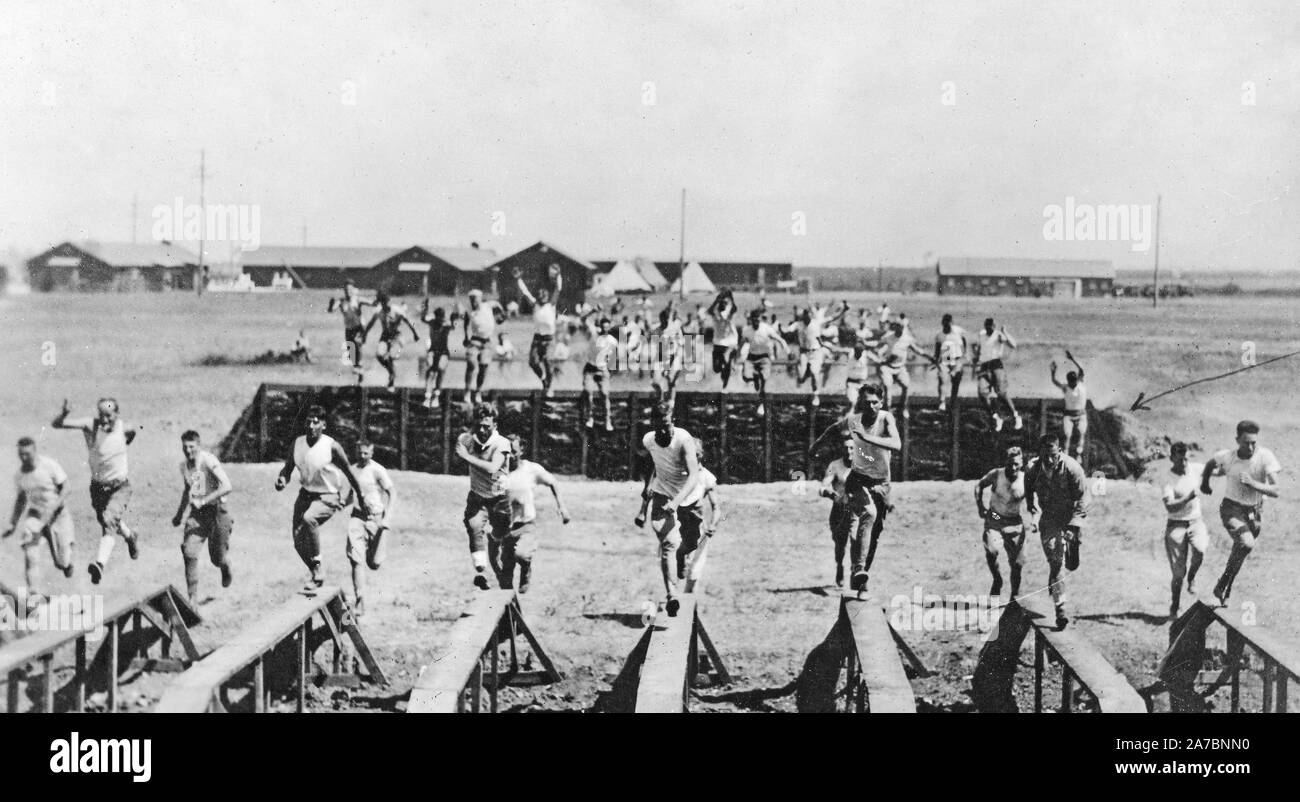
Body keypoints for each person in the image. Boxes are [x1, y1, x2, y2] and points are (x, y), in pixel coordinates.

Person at [809, 383, 900, 593]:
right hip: (858, 480)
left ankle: (860, 573)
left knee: (875, 533)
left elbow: (897, 444)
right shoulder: (853, 421)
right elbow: (833, 429)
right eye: (866, 402)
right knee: (868, 513)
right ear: (860, 403)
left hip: (882, 484)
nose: (870, 407)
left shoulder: (886, 418)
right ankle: (857, 567)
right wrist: (815, 446)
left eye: (875, 402)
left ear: (882, 402)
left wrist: (867, 437)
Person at [274, 406, 370, 593]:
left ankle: (317, 568)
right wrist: (281, 480)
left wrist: (361, 497)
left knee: (309, 519)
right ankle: (316, 574)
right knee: (298, 542)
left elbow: (350, 474)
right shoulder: (297, 443)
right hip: (306, 494)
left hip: (328, 495)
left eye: (316, 422)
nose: (311, 425)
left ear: (324, 425)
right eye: (308, 421)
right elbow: (287, 470)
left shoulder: (332, 446)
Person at [52, 398, 140, 584]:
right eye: (101, 415)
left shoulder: (125, 427)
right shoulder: (91, 426)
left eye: (109, 416)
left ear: (117, 414)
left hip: (120, 487)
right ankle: (130, 537)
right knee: (106, 520)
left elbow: (131, 433)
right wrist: (65, 413)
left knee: (109, 521)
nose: (105, 420)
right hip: (98, 488)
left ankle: (99, 564)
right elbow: (57, 424)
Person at [1199, 420, 1281, 607]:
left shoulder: (1265, 456)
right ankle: (1223, 587)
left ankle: (1223, 587)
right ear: (1237, 440)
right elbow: (1211, 463)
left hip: (1255, 512)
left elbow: (1276, 489)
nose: (1251, 446)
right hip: (1231, 509)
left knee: (1239, 553)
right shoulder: (1228, 456)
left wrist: (1253, 483)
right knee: (1246, 543)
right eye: (1246, 442)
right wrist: (1205, 483)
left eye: (1254, 442)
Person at [637, 401, 701, 616]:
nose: (665, 430)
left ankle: (683, 556)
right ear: (653, 424)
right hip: (662, 495)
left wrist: (677, 502)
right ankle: (672, 594)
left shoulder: (684, 439)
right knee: (669, 544)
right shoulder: (648, 440)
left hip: (688, 498)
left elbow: (694, 475)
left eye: (668, 425)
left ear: (672, 421)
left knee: (690, 543)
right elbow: (649, 464)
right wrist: (647, 489)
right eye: (660, 426)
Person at [1025, 433, 1088, 629]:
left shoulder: (1072, 468)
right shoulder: (1033, 469)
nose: (1050, 460)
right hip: (1049, 519)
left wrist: (1073, 527)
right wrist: (1034, 513)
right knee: (1056, 561)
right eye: (1046, 456)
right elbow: (1029, 493)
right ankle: (1061, 610)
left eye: (1053, 455)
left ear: (1060, 451)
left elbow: (1083, 499)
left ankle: (1068, 554)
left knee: (1071, 564)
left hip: (1070, 516)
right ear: (1040, 454)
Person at [2, 438, 75, 603]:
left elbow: (67, 487)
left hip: (58, 515)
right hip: (36, 516)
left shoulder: (49, 465)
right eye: (21, 455)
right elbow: (21, 500)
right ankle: (34, 594)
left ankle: (66, 564)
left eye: (27, 454)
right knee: (30, 554)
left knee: (62, 562)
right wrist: (13, 523)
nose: (24, 458)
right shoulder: (20, 475)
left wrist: (53, 508)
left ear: (35, 451)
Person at [499, 435, 570, 593]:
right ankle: (510, 610)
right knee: (505, 574)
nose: (509, 455)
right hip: (506, 527)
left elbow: (553, 482)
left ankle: (526, 569)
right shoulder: (499, 472)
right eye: (505, 452)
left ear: (521, 450)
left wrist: (562, 507)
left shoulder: (531, 469)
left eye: (513, 451)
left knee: (522, 554)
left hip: (526, 524)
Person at [168, 430, 234, 602]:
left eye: (192, 447)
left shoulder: (208, 460)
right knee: (189, 552)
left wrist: (204, 501)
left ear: (199, 446)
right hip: (198, 514)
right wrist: (179, 514)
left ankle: (225, 566)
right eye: (185, 447)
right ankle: (192, 599)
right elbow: (187, 490)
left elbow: (227, 486)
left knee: (217, 558)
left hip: (218, 510)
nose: (188, 451)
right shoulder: (184, 466)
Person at [456, 403, 513, 590]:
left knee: (500, 540)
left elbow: (492, 468)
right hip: (478, 496)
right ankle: (481, 572)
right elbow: (460, 443)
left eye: (486, 426)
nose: (481, 430)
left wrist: (467, 457)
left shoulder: (502, 443)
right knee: (473, 526)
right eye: (478, 425)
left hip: (499, 496)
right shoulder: (467, 440)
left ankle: (503, 577)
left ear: (495, 426)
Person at [344, 441, 394, 618]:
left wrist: (387, 517)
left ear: (372, 453)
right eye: (360, 453)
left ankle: (375, 553)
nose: (362, 456)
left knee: (374, 563)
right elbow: (351, 495)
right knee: (355, 560)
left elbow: (392, 493)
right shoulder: (352, 469)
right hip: (357, 517)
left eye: (366, 453)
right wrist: (342, 503)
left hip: (376, 519)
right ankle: (360, 600)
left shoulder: (377, 470)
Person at [974, 446, 1028, 599]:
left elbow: (1034, 499)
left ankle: (1015, 596)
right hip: (996, 518)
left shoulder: (1026, 479)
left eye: (1016, 464)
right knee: (992, 550)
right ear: (1005, 462)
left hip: (1014, 521)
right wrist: (980, 506)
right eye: (1010, 464)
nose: (1013, 467)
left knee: (1017, 563)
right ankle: (997, 579)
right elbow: (979, 485)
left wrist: (1036, 516)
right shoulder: (997, 474)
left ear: (1021, 463)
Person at [1160, 442, 1206, 619]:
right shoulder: (1167, 478)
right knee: (1178, 573)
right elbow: (1170, 507)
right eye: (1180, 460)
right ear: (1172, 458)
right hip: (1176, 525)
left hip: (1195, 522)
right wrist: (1188, 497)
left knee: (1200, 550)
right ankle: (1175, 605)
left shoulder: (1194, 469)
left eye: (1186, 459)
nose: (1184, 463)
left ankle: (1192, 578)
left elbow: (1214, 469)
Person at [673, 438, 722, 594]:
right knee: (674, 567)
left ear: (700, 455)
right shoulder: (676, 475)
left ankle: (688, 609)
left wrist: (713, 525)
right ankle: (673, 602)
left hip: (697, 531)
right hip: (676, 527)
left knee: (694, 573)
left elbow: (716, 507)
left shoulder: (706, 477)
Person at [515, 264, 562, 396]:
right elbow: (525, 292)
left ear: (547, 296)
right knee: (533, 362)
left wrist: (558, 276)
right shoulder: (535, 304)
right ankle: (543, 380)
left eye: (543, 294)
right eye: (539, 294)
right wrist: (519, 279)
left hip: (549, 339)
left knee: (547, 360)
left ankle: (549, 387)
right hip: (537, 338)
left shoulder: (551, 305)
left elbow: (558, 289)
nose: (541, 296)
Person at [364, 293, 420, 390]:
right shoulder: (379, 312)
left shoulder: (397, 310)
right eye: (385, 303)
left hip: (396, 336)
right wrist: (365, 334)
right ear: (382, 304)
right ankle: (391, 371)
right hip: (385, 336)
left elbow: (408, 321)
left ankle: (391, 380)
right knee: (379, 354)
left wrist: (415, 333)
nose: (387, 305)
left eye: (388, 303)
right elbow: (370, 323)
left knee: (391, 355)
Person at [974, 318, 1021, 431]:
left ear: (994, 326)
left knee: (1001, 392)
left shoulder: (998, 335)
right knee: (982, 392)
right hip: (984, 365)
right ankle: (996, 417)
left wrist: (1005, 332)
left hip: (996, 364)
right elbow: (979, 349)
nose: (989, 329)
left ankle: (1015, 415)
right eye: (987, 326)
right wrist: (976, 359)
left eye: (991, 327)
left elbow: (1013, 345)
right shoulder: (982, 334)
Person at [738, 309, 788, 417]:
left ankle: (761, 404)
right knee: (746, 377)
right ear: (751, 320)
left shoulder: (766, 328)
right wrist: (737, 355)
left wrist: (787, 350)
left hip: (764, 357)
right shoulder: (747, 330)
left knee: (764, 380)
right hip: (751, 357)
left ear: (760, 320)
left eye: (758, 319)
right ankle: (754, 377)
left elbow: (779, 339)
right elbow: (741, 343)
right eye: (754, 319)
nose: (756, 321)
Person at [819, 439, 854, 588]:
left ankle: (855, 574)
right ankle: (840, 566)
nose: (849, 451)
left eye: (852, 448)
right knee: (840, 545)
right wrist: (830, 493)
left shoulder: (863, 465)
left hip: (856, 511)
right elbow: (823, 486)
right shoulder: (835, 465)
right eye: (846, 448)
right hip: (839, 511)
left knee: (856, 542)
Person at [327, 279, 372, 383]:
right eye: (346, 289)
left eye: (350, 289)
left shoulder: (357, 299)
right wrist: (331, 304)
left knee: (357, 344)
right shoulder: (341, 301)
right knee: (350, 349)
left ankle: (359, 366)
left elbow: (370, 302)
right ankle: (360, 371)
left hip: (359, 327)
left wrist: (377, 302)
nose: (348, 291)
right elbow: (331, 310)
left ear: (353, 290)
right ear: (344, 290)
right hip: (349, 328)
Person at [462, 289, 499, 404]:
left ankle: (478, 391)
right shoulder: (468, 310)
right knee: (471, 363)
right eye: (471, 299)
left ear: (480, 299)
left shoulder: (487, 306)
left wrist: (501, 313)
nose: (474, 301)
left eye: (476, 299)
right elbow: (465, 323)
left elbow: (496, 304)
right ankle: (467, 391)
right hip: (475, 340)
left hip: (487, 341)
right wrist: (466, 337)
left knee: (484, 367)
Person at [420, 302, 459, 409]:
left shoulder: (446, 325)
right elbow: (423, 319)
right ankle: (427, 396)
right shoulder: (432, 322)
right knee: (431, 370)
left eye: (442, 318)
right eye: (439, 318)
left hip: (443, 351)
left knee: (441, 369)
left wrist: (454, 316)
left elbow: (454, 326)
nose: (440, 320)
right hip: (433, 350)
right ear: (436, 317)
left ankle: (436, 395)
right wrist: (425, 308)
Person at [581, 316, 618, 431]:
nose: (604, 329)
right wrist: (592, 312)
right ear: (600, 327)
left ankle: (607, 420)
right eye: (603, 327)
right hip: (590, 368)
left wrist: (609, 372)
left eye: (607, 327)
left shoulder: (612, 341)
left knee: (605, 394)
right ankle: (590, 418)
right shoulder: (593, 334)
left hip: (602, 368)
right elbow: (583, 320)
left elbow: (614, 359)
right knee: (588, 391)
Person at [1050, 350, 1088, 459]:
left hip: (1081, 415)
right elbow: (1055, 381)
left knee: (1081, 432)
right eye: (1071, 381)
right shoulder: (1066, 387)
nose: (1073, 383)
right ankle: (1066, 456)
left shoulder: (1080, 384)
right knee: (1067, 435)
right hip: (1069, 415)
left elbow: (1081, 369)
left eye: (1074, 381)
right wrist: (1053, 372)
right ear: (1068, 381)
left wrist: (1072, 359)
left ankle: (1079, 454)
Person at [933, 314, 968, 413]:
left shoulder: (958, 331)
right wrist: (936, 359)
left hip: (957, 357)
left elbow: (964, 340)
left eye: (949, 324)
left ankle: (953, 401)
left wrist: (965, 353)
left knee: (956, 380)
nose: (947, 327)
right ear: (942, 323)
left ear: (952, 323)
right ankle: (942, 402)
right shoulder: (939, 334)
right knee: (942, 379)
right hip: (946, 355)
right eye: (945, 325)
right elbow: (937, 347)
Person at [707, 290, 740, 392]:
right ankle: (727, 370)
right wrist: (717, 299)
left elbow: (734, 308)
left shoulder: (728, 314)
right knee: (716, 369)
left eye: (725, 303)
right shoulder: (716, 313)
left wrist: (731, 297)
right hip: (717, 344)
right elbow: (709, 311)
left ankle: (725, 386)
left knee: (726, 361)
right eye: (721, 303)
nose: (723, 305)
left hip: (729, 343)